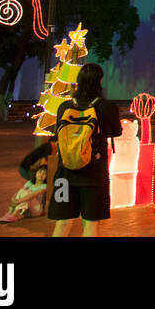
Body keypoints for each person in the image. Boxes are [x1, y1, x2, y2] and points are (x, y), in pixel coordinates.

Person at [50, 62, 124, 237]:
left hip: (65, 175)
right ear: (99, 82)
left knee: (62, 223)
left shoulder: (64, 107)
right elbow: (116, 132)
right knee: (90, 224)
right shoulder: (107, 107)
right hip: (94, 175)